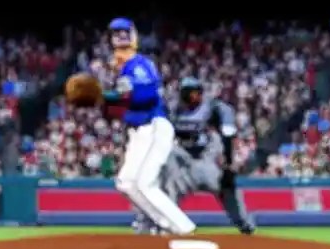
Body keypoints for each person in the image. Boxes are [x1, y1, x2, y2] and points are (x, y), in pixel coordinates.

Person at [103, 18, 196, 235]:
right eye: (116, 34)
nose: (120, 38)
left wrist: (116, 94)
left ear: (133, 36)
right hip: (138, 132)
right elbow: (121, 106)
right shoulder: (123, 70)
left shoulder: (140, 64)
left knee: (145, 183)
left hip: (154, 126)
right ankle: (163, 223)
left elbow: (146, 94)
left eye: (124, 33)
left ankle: (184, 228)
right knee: (126, 183)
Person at [133, 78, 256, 235]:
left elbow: (228, 135)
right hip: (183, 163)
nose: (191, 97)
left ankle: (246, 227)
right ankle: (149, 226)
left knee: (229, 192)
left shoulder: (215, 108)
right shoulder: (171, 109)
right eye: (187, 94)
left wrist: (229, 165)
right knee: (161, 187)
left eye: (194, 93)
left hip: (209, 161)